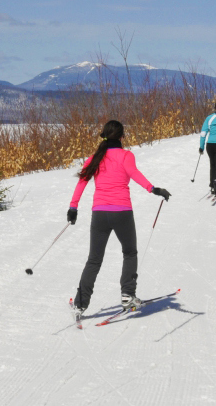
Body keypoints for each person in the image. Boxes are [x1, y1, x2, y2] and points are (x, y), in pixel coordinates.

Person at [67, 120, 172, 320]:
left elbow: (82, 182)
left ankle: (80, 304)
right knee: (130, 253)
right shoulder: (126, 156)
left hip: (99, 214)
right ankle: (128, 295)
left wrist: (73, 207)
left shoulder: (95, 158)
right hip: (122, 212)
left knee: (94, 259)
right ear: (122, 137)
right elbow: (135, 174)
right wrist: (154, 189)